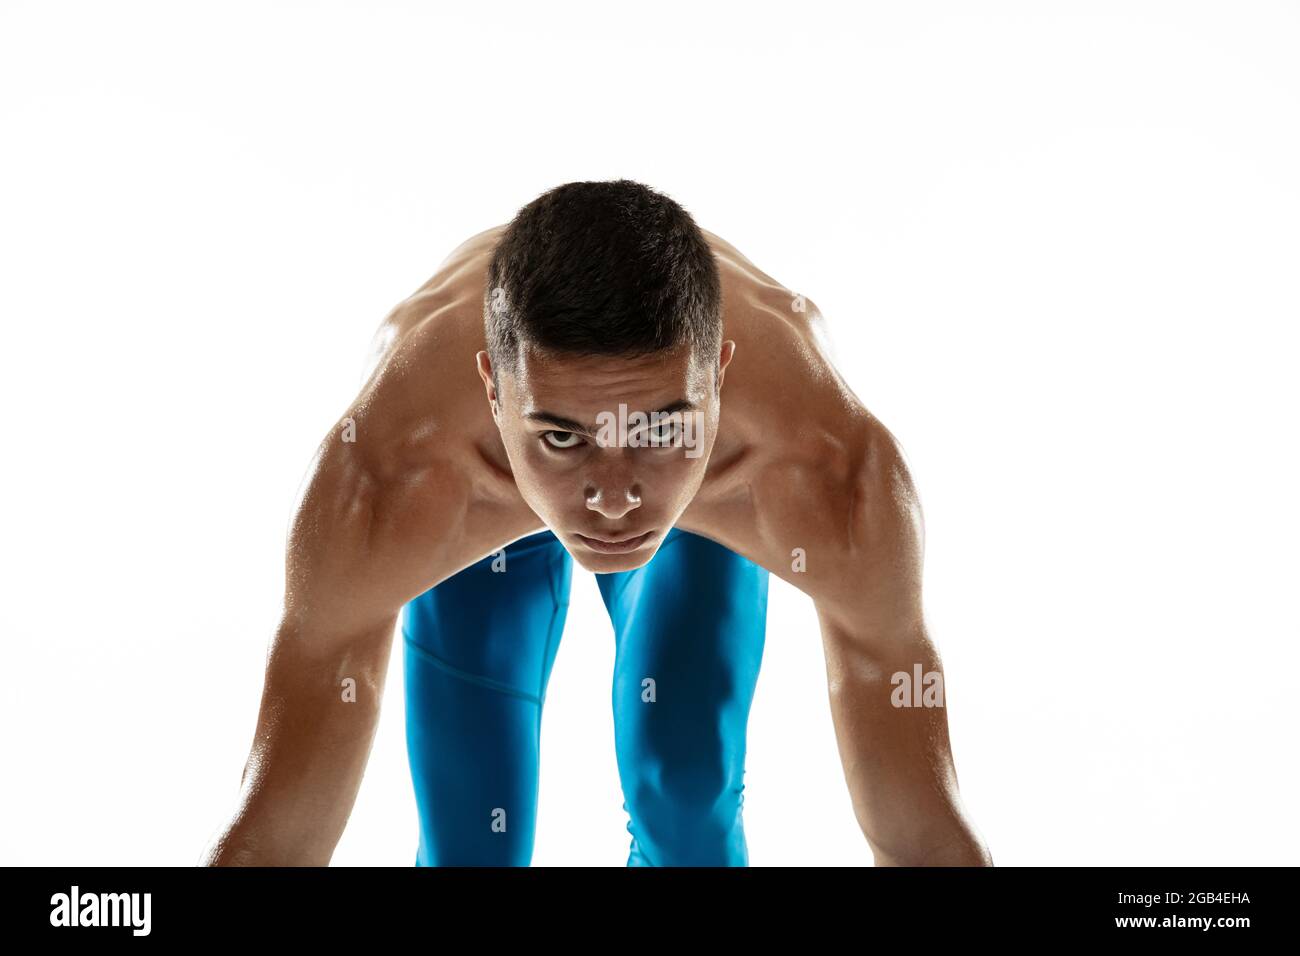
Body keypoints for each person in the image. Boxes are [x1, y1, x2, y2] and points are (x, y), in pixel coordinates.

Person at [200, 179, 992, 867]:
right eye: (563, 437)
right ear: (491, 389)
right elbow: (273, 843)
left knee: (683, 795)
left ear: (718, 377)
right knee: (472, 838)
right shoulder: (391, 476)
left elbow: (925, 839)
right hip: (480, 486)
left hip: (696, 498)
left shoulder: (826, 474)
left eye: (656, 431)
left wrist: (593, 448)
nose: (613, 501)